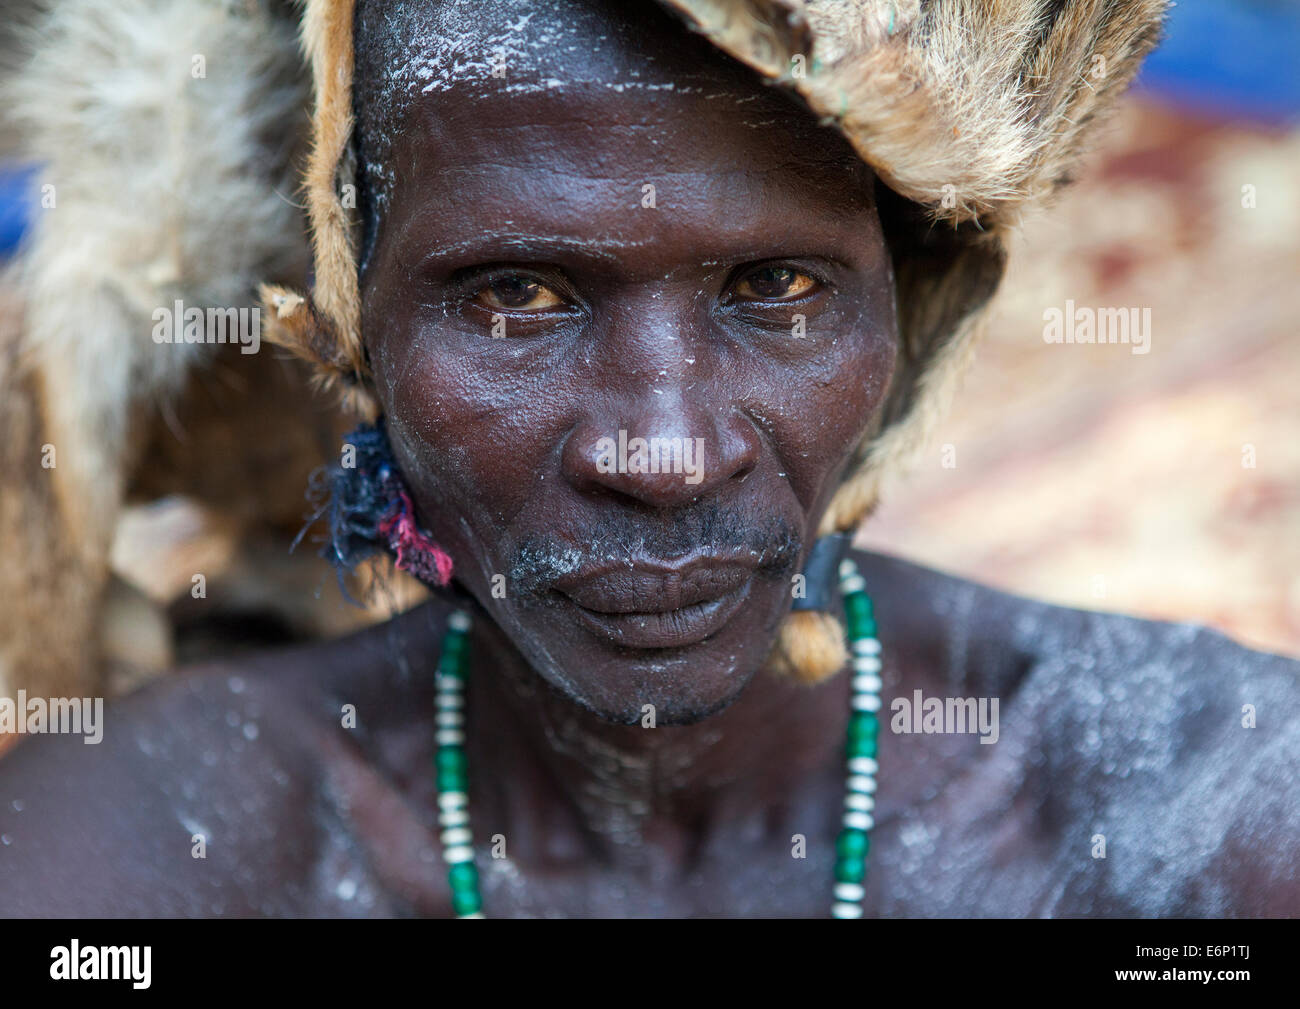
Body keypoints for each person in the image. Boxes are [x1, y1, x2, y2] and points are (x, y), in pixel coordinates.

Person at [1, 0, 1296, 918]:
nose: (665, 452)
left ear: (910, 316)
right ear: (347, 325)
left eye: (777, 287)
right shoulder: (140, 848)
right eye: (516, 298)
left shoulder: (1205, 821)